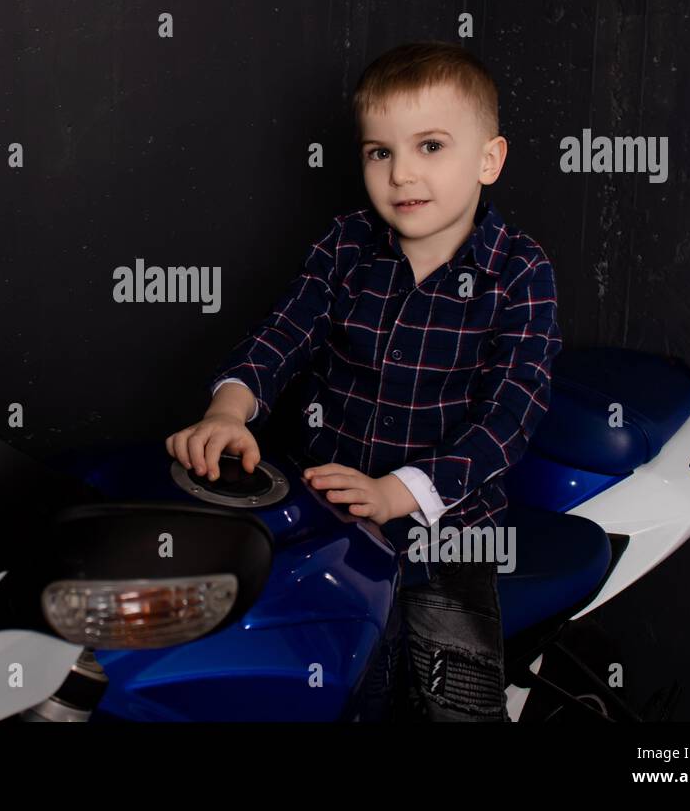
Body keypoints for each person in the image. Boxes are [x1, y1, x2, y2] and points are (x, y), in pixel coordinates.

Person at [165, 40, 563, 721]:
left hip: (448, 533)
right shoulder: (347, 244)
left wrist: (398, 491)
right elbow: (284, 332)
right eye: (381, 152)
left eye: (430, 146)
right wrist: (229, 412)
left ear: (488, 159)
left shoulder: (520, 272)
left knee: (454, 707)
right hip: (331, 512)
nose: (402, 173)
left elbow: (508, 417)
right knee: (330, 687)